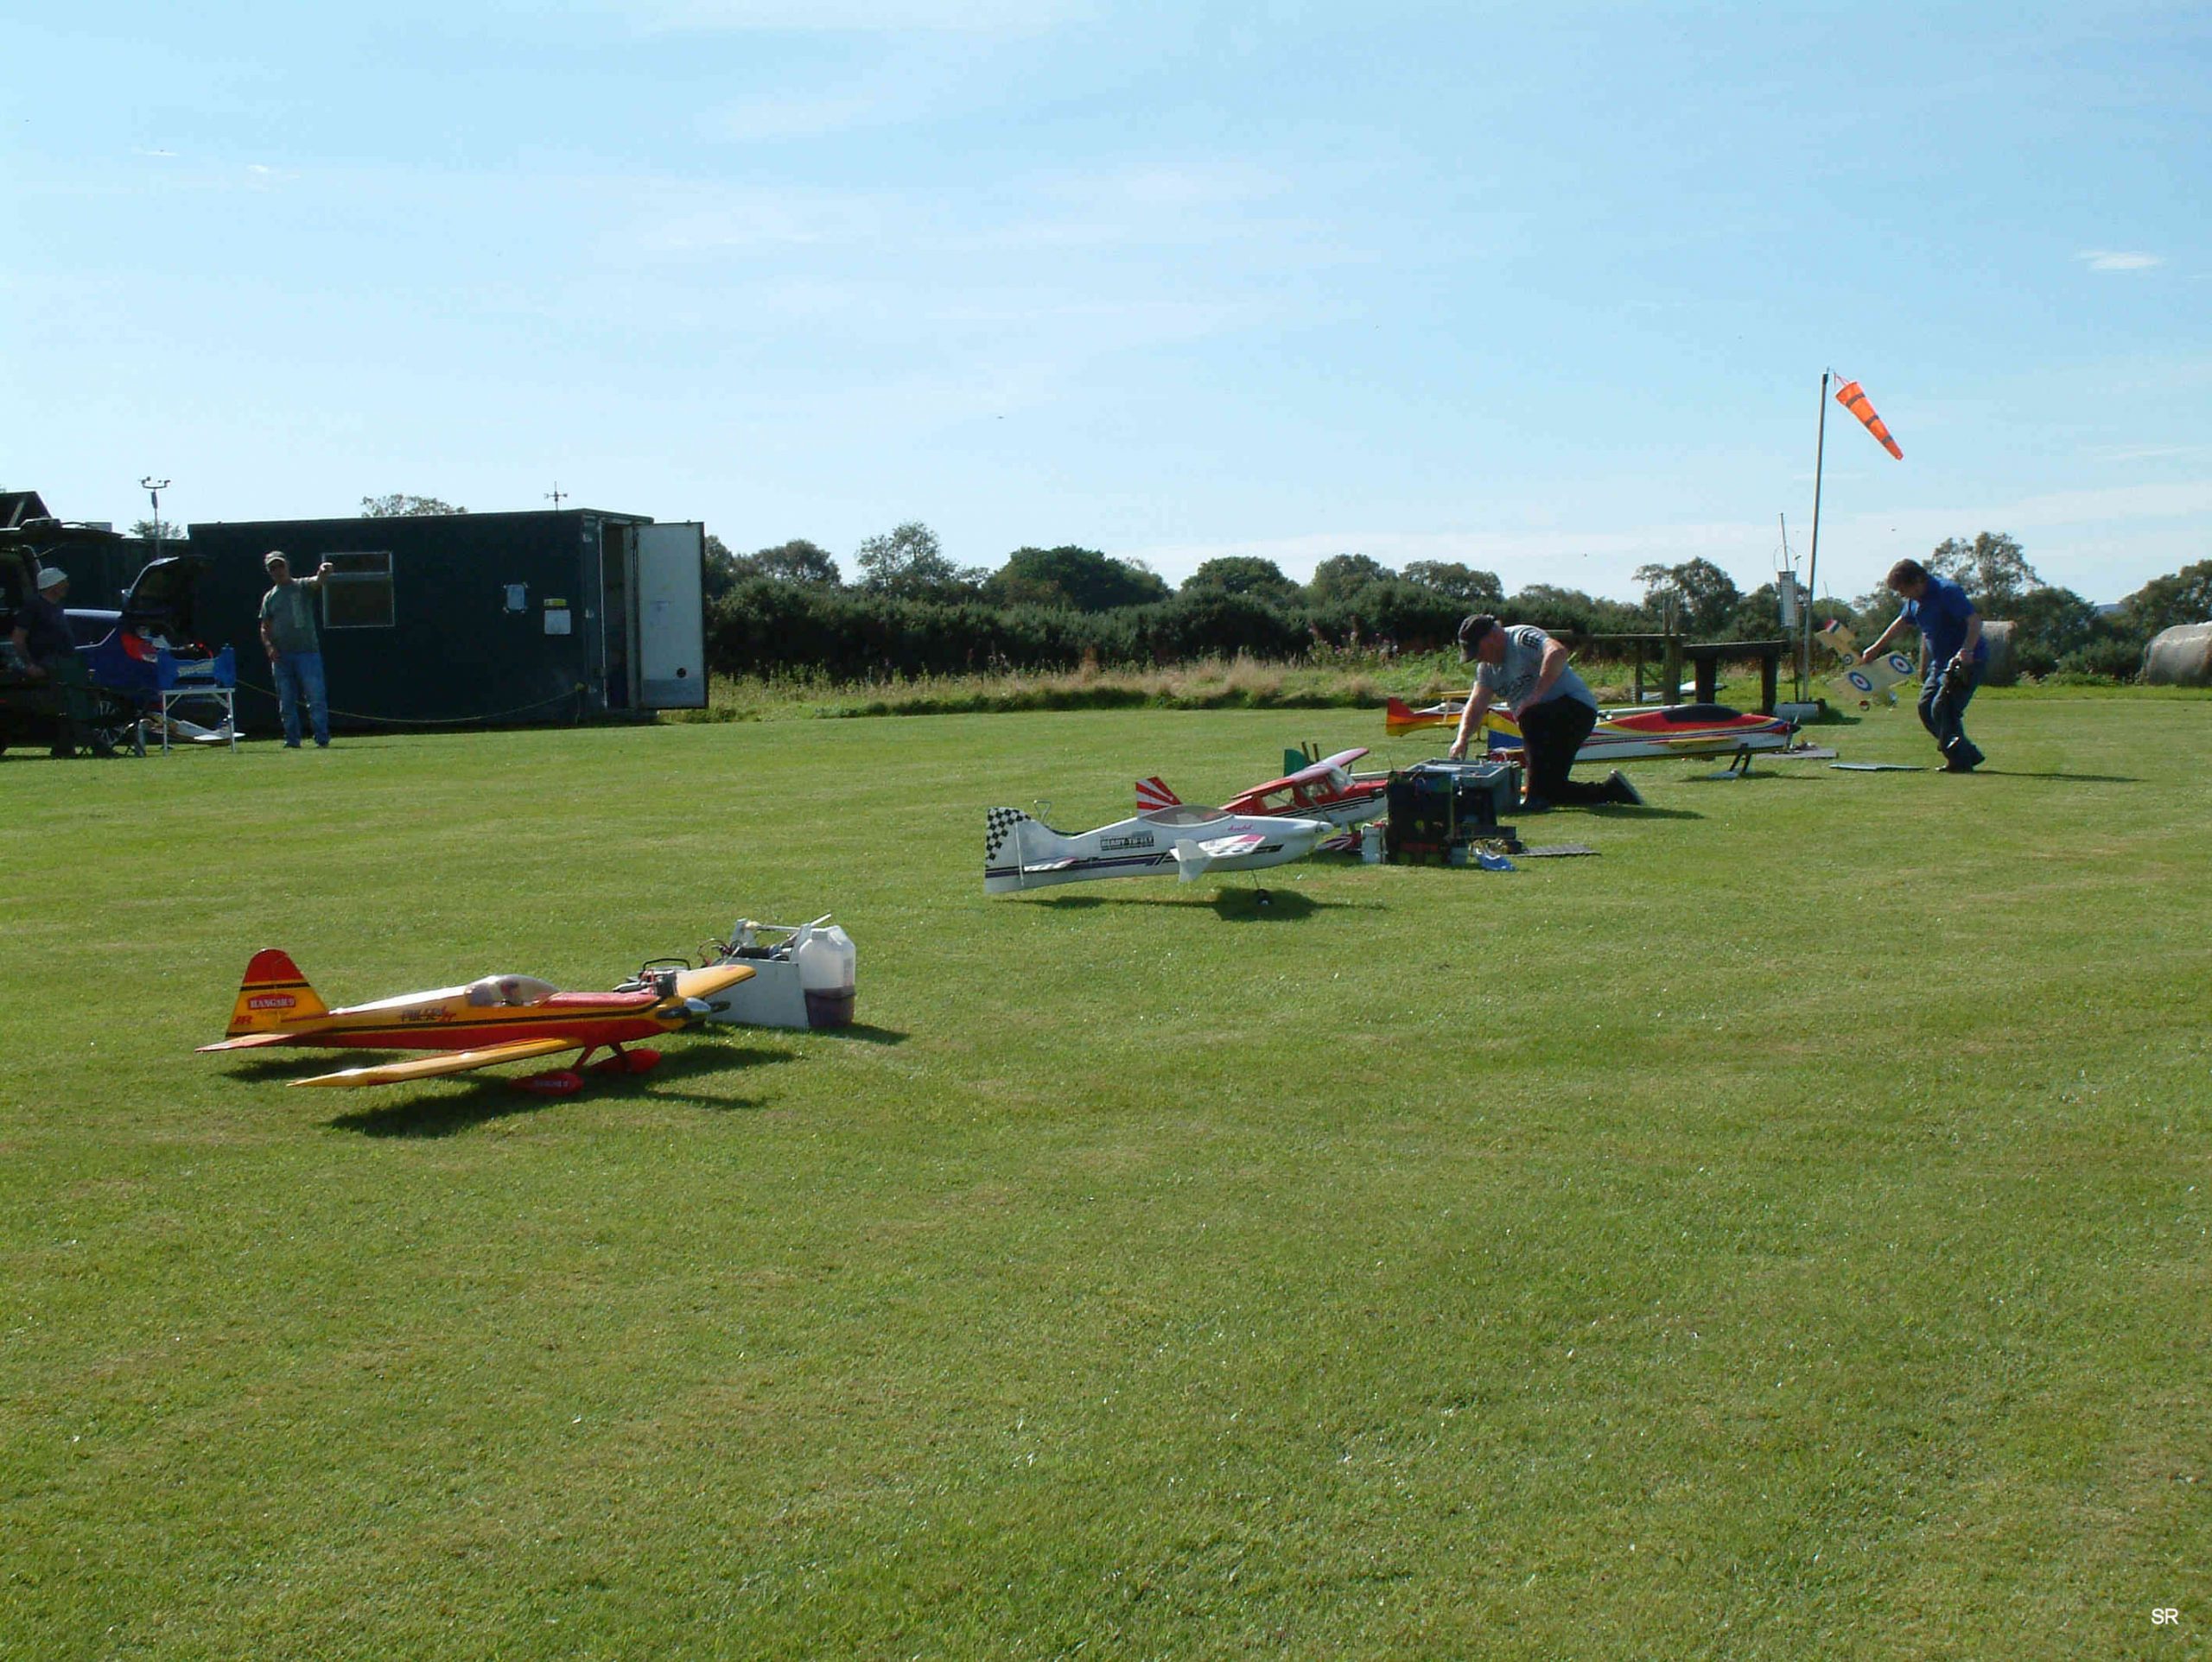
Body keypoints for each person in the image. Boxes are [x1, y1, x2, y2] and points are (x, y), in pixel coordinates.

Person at [1446, 613, 1641, 809]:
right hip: (1542, 723)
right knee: (1552, 790)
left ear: (1492, 638)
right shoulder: (1486, 669)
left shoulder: (1522, 638)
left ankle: (1534, 798)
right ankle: (1611, 790)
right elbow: (1476, 703)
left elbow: (1557, 652)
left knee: (1530, 715)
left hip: (1575, 709)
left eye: (1478, 650)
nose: (1478, 658)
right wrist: (1461, 740)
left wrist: (1535, 697)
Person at [1859, 557, 1986, 771]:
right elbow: (1901, 622)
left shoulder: (1947, 592)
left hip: (1965, 662)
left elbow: (1974, 621)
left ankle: (1960, 761)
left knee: (1943, 708)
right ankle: (1967, 753)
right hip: (1939, 665)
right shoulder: (1914, 601)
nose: (1901, 595)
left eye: (1903, 589)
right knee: (1925, 708)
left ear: (1918, 580)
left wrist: (1966, 650)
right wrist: (1876, 647)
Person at [8, 565, 111, 758]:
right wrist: (30, 664)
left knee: (73, 702)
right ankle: (96, 746)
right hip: (51, 662)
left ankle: (64, 747)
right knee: (74, 702)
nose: (66, 585)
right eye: (62, 583)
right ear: (51, 586)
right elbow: (18, 637)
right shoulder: (34, 606)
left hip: (67, 660)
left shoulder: (55, 607)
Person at [259, 550, 335, 749]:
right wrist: (269, 647)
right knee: (286, 702)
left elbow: (318, 581)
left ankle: (322, 739)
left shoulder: (301, 586)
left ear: (287, 566)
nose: (277, 570)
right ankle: (292, 740)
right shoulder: (270, 597)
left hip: (307, 652)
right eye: (272, 568)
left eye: (280, 566)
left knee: (315, 697)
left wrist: (324, 571)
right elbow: (264, 627)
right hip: (282, 656)